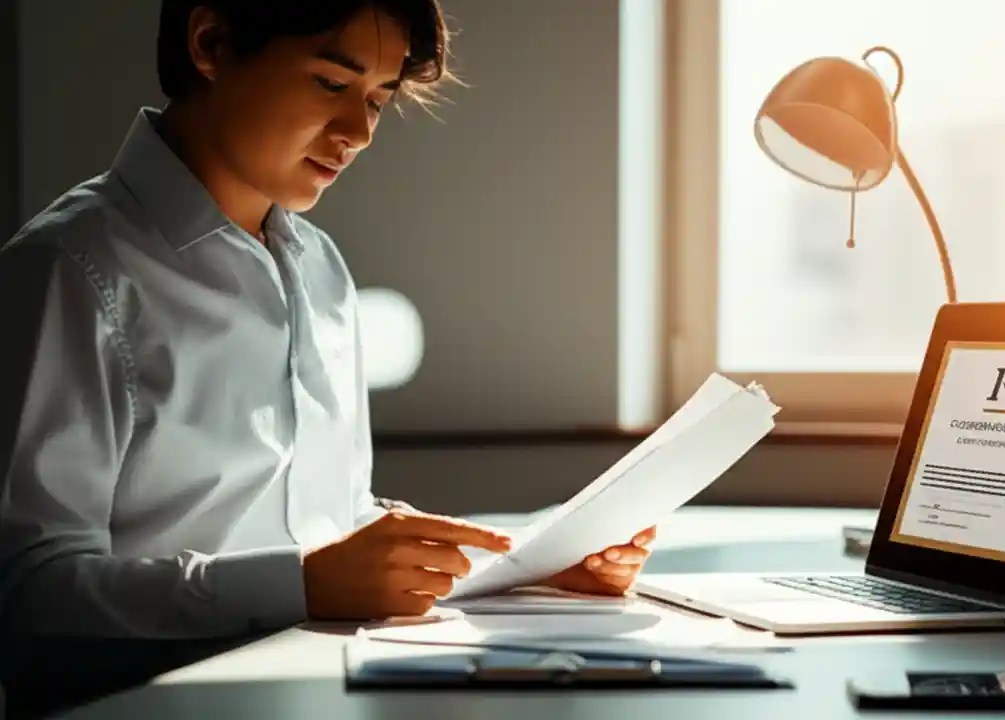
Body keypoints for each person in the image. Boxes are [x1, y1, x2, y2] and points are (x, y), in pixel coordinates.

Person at [0, 0, 654, 641]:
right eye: (332, 83)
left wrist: (528, 570)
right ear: (211, 45)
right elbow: (31, 591)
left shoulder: (319, 268)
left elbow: (334, 531)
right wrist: (301, 585)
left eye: (375, 99)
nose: (360, 131)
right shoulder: (67, 271)